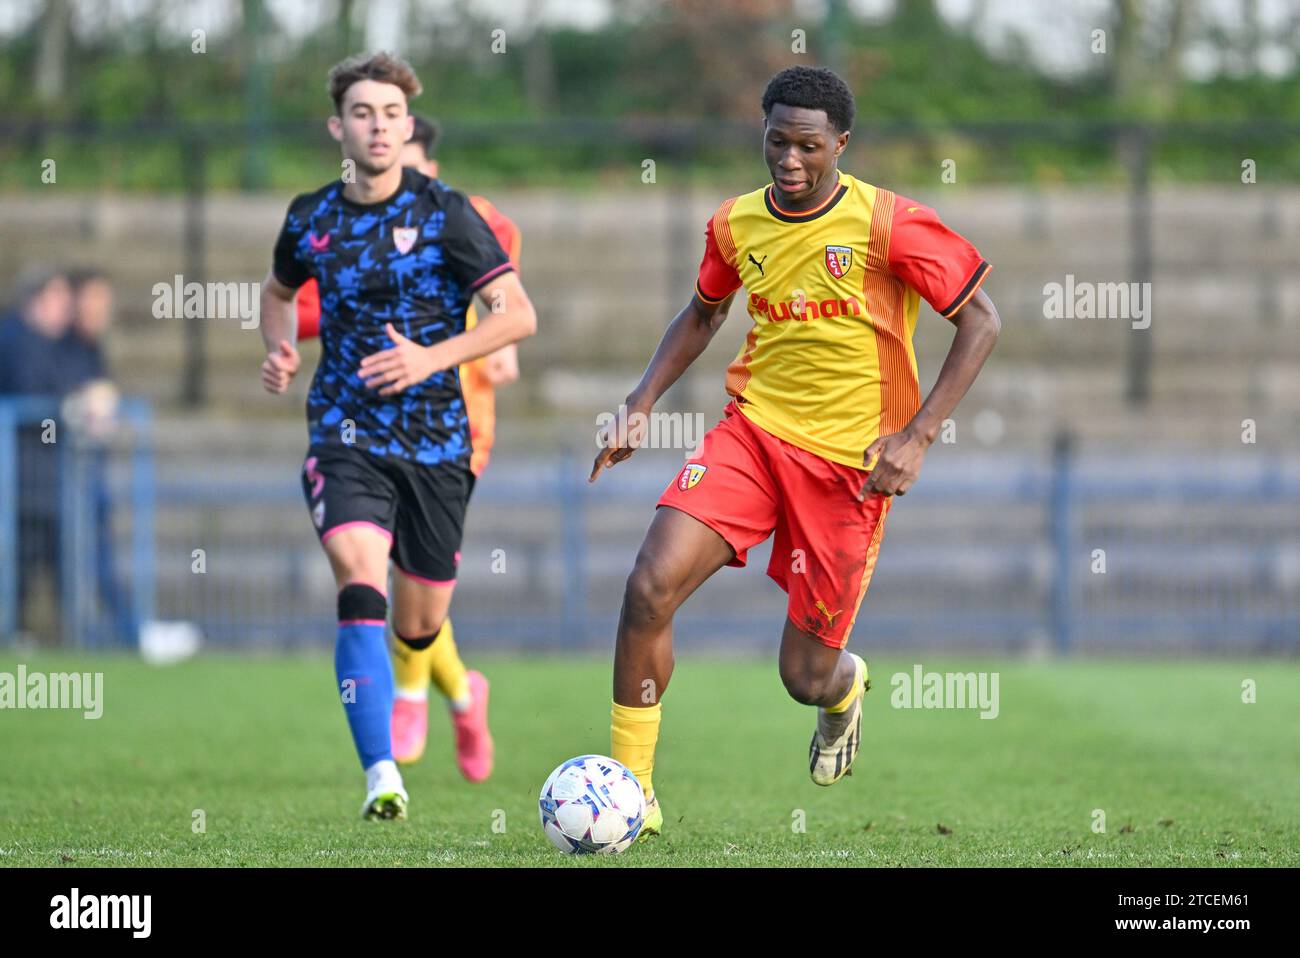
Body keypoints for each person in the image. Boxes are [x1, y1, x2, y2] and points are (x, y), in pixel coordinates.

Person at [590, 66, 1001, 839]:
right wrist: (639, 403)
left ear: (841, 144)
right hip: (752, 438)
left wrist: (917, 437)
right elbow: (703, 313)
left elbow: (981, 319)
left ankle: (843, 688)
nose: (789, 160)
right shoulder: (736, 223)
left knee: (802, 676)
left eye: (808, 147)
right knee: (648, 587)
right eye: (777, 141)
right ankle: (632, 792)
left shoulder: (891, 223)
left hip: (851, 469)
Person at [259, 52, 537, 820]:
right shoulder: (308, 217)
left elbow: (517, 316)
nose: (377, 127)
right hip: (344, 436)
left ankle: (456, 687)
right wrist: (279, 347)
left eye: (390, 115)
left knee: (419, 625)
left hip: (440, 444)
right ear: (336, 127)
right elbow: (278, 292)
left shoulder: (448, 212)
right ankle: (382, 772)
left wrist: (429, 359)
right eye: (362, 114)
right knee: (358, 586)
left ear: (407, 126)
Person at [0, 269, 75, 640]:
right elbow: (32, 401)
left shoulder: (51, 346)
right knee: (22, 554)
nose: (68, 310)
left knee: (44, 554)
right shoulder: (17, 340)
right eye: (60, 300)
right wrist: (71, 410)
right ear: (37, 300)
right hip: (23, 476)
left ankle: (39, 629)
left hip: (39, 476)